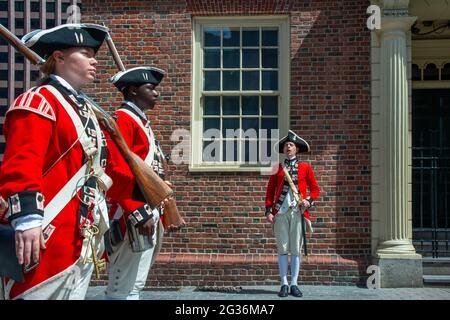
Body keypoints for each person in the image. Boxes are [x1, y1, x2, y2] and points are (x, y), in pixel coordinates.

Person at [0, 23, 137, 300]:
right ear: (59, 57)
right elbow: (21, 165)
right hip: (46, 234)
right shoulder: (38, 102)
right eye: (85, 53)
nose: (95, 60)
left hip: (82, 237)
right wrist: (27, 220)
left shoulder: (86, 109)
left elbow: (106, 169)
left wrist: (142, 200)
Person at [104, 66, 170, 300]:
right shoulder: (123, 119)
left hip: (147, 207)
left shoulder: (140, 122)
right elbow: (116, 169)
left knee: (135, 284)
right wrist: (137, 210)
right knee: (122, 283)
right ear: (133, 91)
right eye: (150, 88)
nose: (156, 93)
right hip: (131, 210)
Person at [264, 130, 320, 298]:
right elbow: (270, 192)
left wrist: (308, 201)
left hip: (298, 212)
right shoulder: (277, 168)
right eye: (286, 145)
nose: (288, 147)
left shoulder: (305, 168)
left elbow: (315, 189)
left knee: (295, 249)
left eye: (291, 145)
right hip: (280, 213)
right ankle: (283, 284)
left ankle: (294, 283)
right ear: (283, 150)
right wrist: (268, 210)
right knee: (282, 249)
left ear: (296, 149)